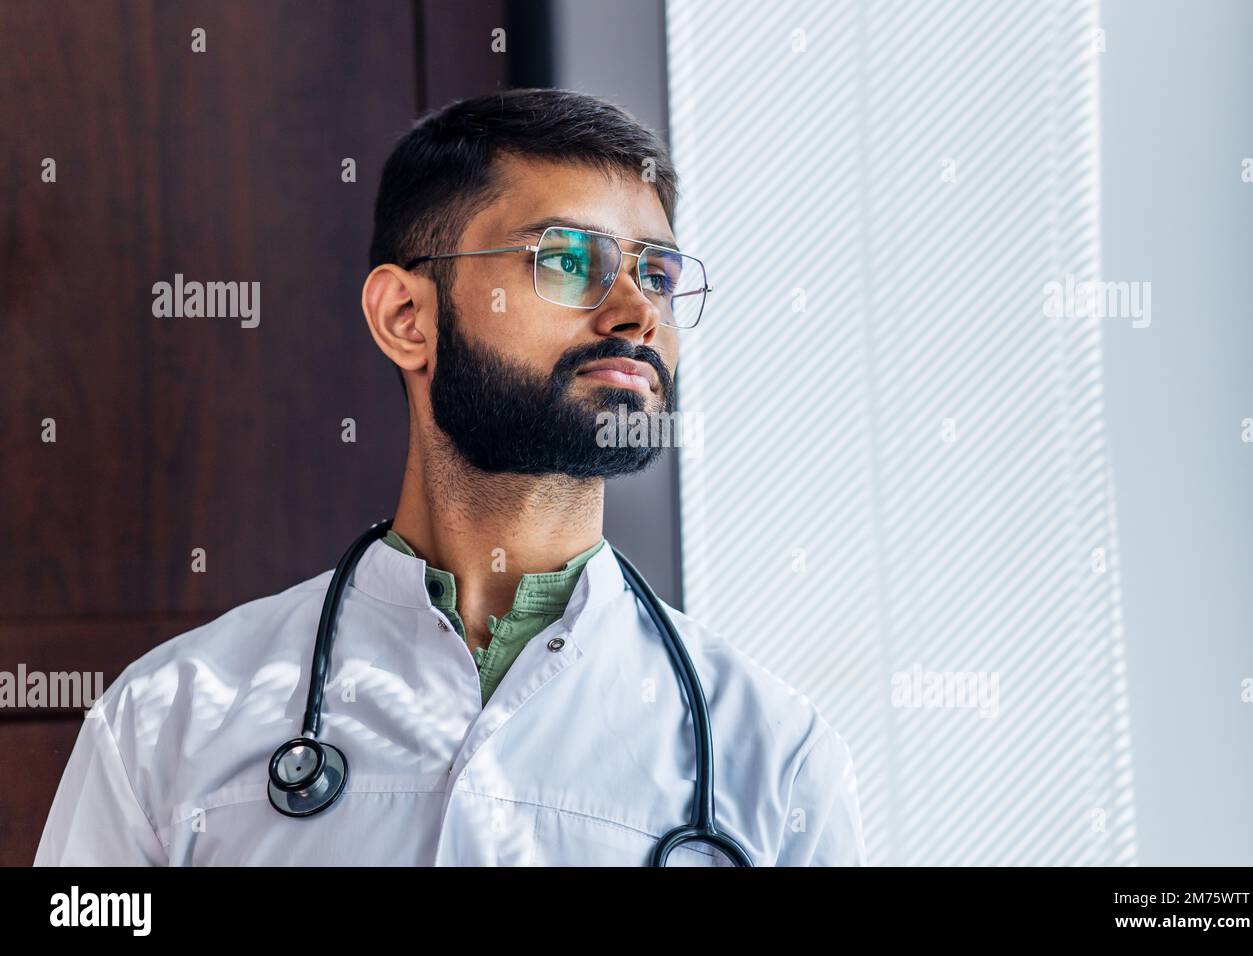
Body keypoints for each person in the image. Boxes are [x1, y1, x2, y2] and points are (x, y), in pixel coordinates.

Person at [33, 88, 867, 866]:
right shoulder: (165, 724)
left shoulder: (774, 757)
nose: (637, 310)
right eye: (569, 261)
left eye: (657, 274)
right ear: (406, 317)